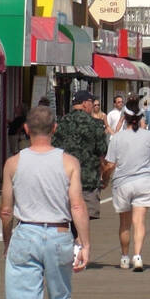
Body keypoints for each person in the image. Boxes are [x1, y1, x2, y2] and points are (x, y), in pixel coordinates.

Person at [0, 106, 90, 299]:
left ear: (26, 130)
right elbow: (76, 205)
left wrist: (6, 240)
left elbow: (5, 210)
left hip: (25, 232)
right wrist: (84, 242)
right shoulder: (68, 162)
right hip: (58, 232)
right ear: (54, 129)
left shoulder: (13, 163)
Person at [105, 104, 150, 270]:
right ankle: (137, 256)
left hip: (123, 183)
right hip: (144, 182)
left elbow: (110, 164)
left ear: (126, 119)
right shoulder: (149, 136)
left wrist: (104, 179)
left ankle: (124, 257)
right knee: (139, 221)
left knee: (124, 223)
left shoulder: (117, 138)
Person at [52, 91, 108, 222]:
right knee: (83, 221)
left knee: (66, 220)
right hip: (87, 181)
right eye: (91, 102)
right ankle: (80, 242)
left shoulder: (62, 123)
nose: (93, 105)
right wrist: (104, 176)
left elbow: (54, 148)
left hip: (65, 180)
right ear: (84, 104)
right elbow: (102, 151)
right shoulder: (95, 124)